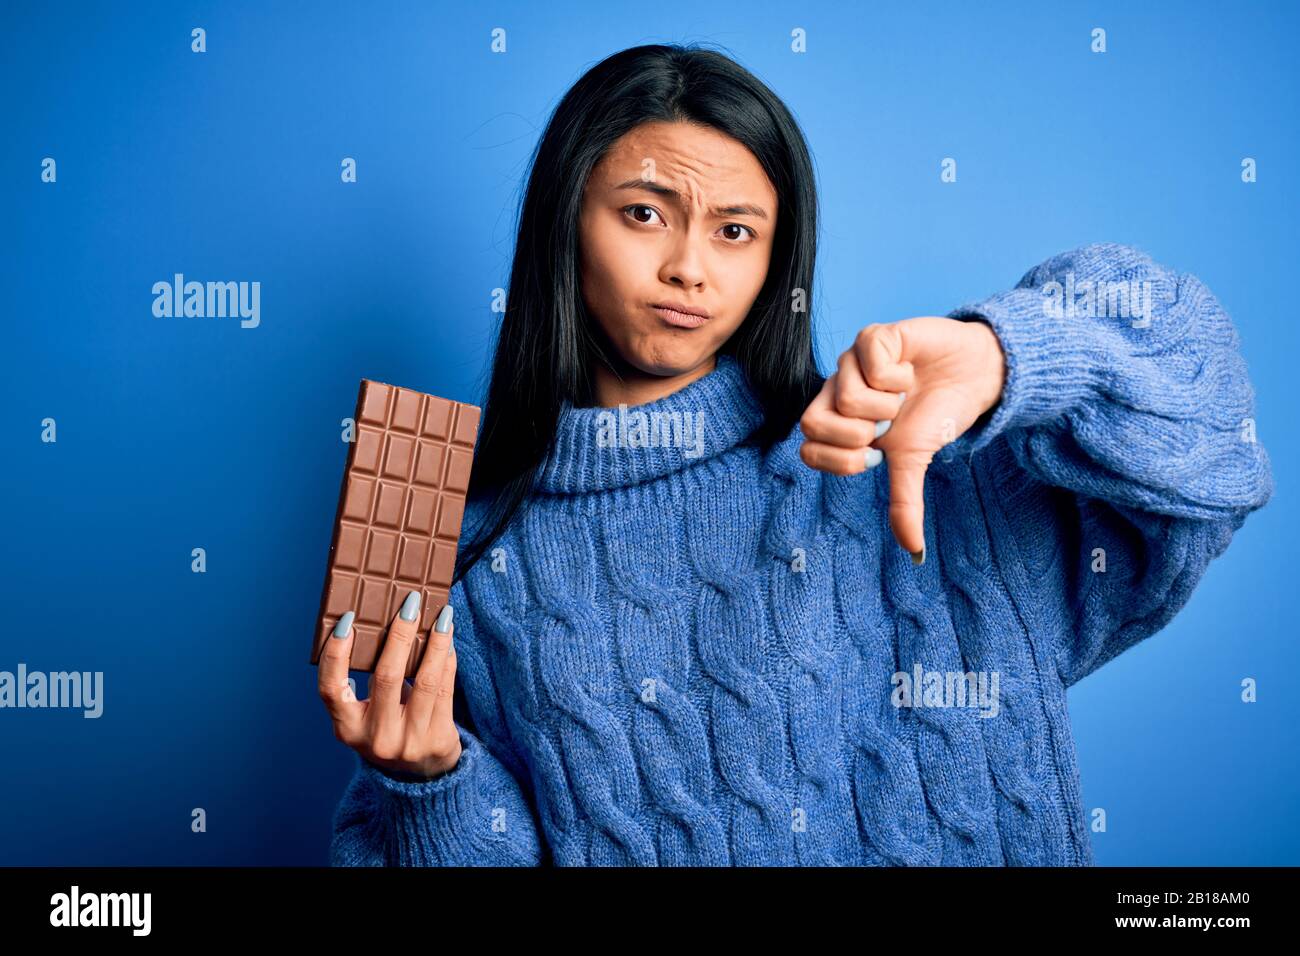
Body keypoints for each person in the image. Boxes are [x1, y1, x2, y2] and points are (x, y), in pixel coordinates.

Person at [318, 43, 1273, 866]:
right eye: (644, 214)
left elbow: (1213, 439)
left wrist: (1010, 356)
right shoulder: (460, 558)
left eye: (736, 231)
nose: (690, 266)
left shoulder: (907, 462)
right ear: (565, 222)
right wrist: (432, 788)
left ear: (777, 260)